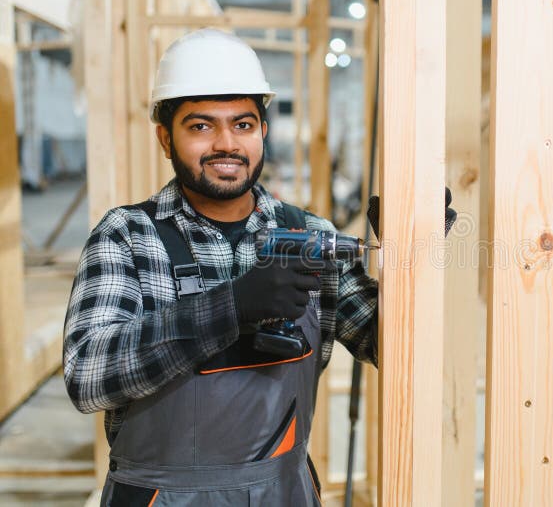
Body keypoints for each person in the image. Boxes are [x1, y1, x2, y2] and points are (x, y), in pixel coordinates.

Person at [63, 28, 455, 506]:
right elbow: (87, 376)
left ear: (263, 131)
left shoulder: (309, 236)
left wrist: (415, 260)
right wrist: (230, 307)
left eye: (243, 125)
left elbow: (390, 348)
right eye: (201, 126)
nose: (226, 144)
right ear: (165, 138)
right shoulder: (127, 236)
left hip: (281, 493)